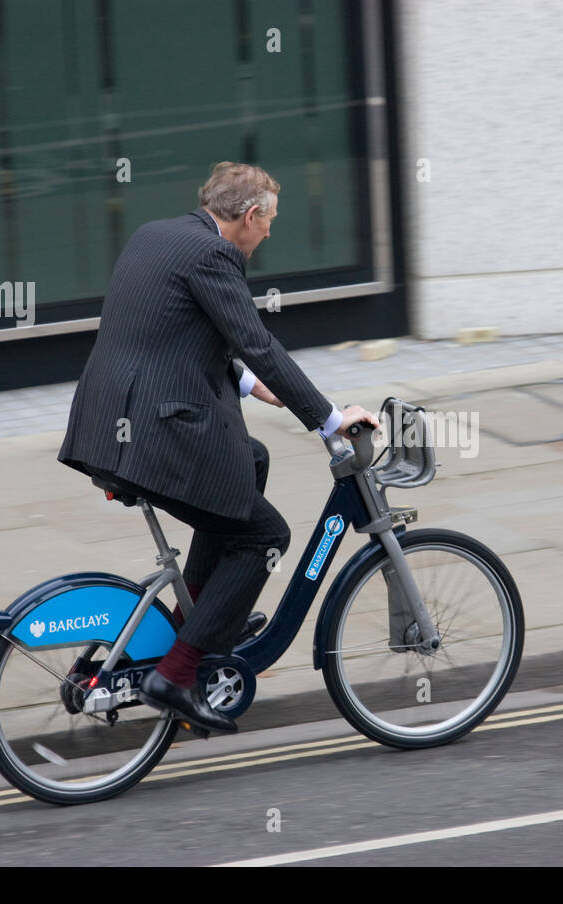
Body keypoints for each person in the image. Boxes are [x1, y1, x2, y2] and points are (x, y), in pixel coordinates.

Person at [57, 161, 379, 735]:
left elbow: (176, 330)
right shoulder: (215, 256)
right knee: (265, 536)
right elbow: (255, 339)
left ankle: (194, 623)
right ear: (250, 215)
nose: (270, 234)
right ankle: (176, 674)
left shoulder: (155, 235)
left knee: (249, 461)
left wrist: (256, 388)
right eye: (270, 221)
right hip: (154, 435)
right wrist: (331, 421)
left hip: (107, 424)